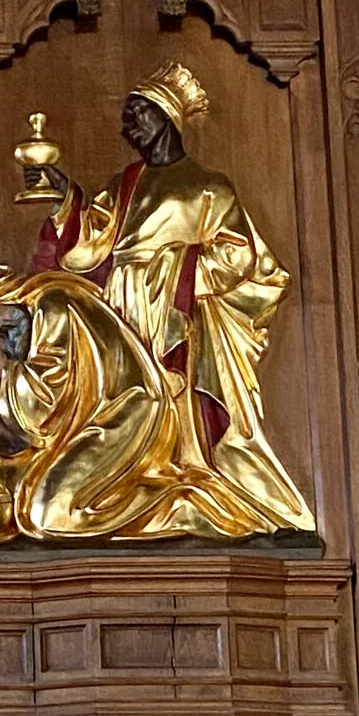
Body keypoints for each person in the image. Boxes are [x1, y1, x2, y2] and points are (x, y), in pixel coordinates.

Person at [37, 58, 315, 532]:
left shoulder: (209, 187)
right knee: (122, 401)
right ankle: (125, 484)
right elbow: (94, 239)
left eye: (138, 114)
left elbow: (236, 259)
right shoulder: (124, 184)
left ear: (166, 116)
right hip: (124, 306)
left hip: (174, 314)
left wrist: (173, 272)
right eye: (127, 118)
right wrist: (68, 199)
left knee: (172, 398)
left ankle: (183, 471)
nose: (130, 127)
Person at [0, 266, 299, 540]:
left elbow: (50, 397)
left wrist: (8, 373)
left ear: (4, 294)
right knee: (35, 509)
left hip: (124, 416)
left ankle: (191, 503)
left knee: (49, 514)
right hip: (99, 419)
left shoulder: (52, 306)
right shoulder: (46, 305)